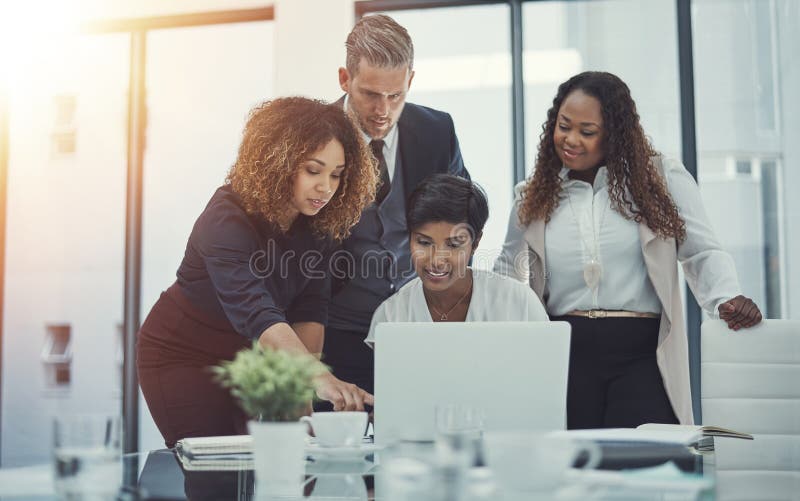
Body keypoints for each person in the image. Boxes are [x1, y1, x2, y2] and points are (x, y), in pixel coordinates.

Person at [494, 71, 762, 429]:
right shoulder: (533, 194)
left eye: (587, 132)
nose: (571, 140)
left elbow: (700, 251)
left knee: (642, 465)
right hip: (563, 354)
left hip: (643, 355)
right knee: (575, 472)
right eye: (564, 126)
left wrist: (725, 297)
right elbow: (507, 271)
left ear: (615, 134)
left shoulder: (660, 178)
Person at [137, 97, 378, 447]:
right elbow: (254, 307)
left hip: (249, 362)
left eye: (337, 175)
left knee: (263, 466)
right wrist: (318, 376)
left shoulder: (318, 224)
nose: (326, 187)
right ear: (278, 163)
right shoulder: (224, 219)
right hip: (183, 356)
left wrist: (305, 413)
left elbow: (310, 308)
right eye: (313, 170)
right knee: (218, 471)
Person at [318, 14, 470, 407]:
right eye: (370, 94)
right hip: (334, 329)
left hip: (414, 328)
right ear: (344, 79)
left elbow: (464, 211)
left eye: (395, 95)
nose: (383, 110)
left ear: (410, 82)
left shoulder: (438, 130)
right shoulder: (314, 136)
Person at [365, 174, 548, 347]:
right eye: (424, 243)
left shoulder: (519, 303)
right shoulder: (390, 317)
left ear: (475, 243)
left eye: (453, 245)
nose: (437, 260)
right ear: (409, 238)